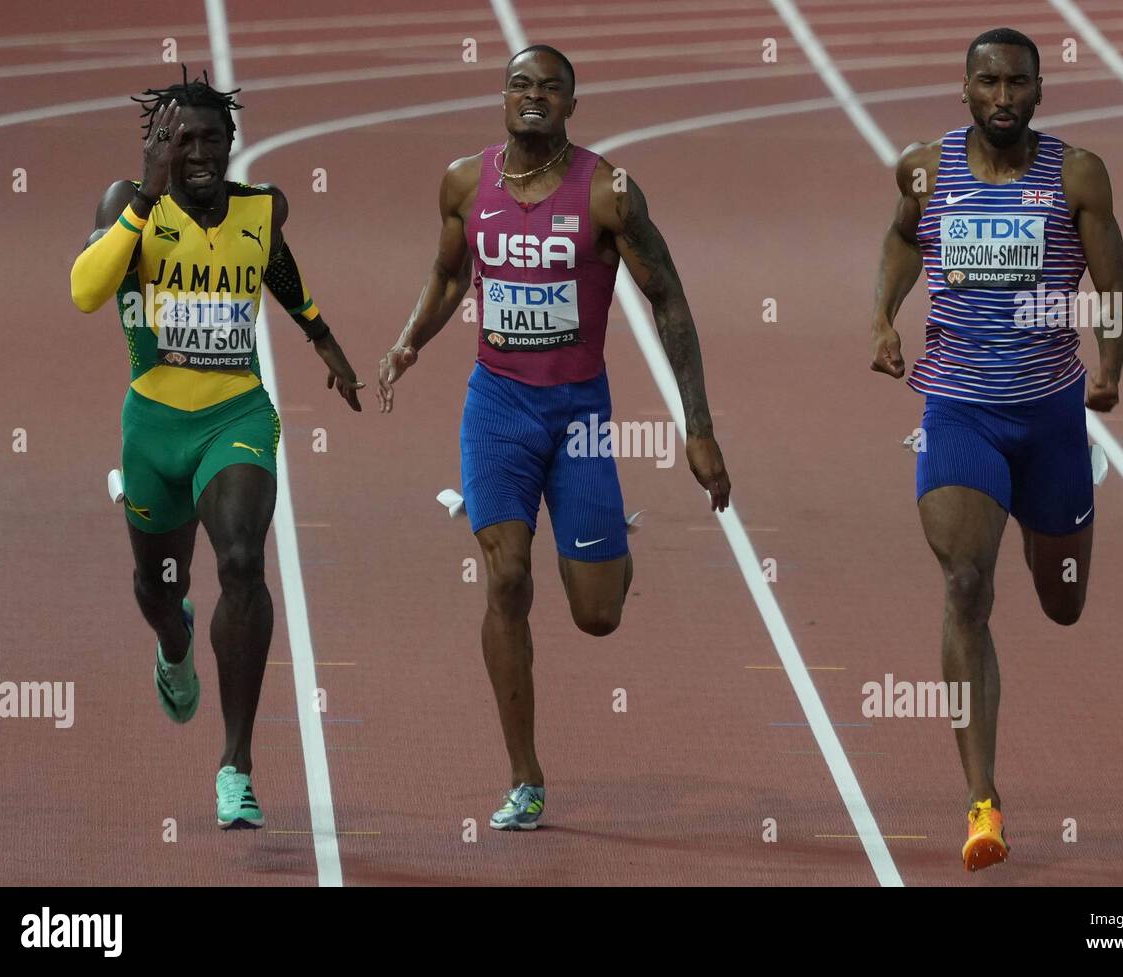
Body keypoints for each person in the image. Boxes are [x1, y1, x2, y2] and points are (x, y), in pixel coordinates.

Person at [377, 45, 730, 830]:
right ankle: (526, 776)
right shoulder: (465, 184)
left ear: (573, 105)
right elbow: (445, 276)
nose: (533, 98)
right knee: (505, 578)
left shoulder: (609, 194)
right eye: (520, 85)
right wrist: (408, 341)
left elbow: (669, 302)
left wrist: (697, 431)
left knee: (597, 614)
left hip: (578, 415)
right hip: (496, 407)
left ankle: (607, 536)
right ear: (502, 97)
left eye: (550, 89)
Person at [70, 69, 364, 828]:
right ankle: (175, 640)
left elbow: (275, 264)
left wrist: (321, 334)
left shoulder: (261, 209)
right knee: (159, 591)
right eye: (181, 138)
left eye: (211, 138)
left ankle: (236, 762)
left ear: (231, 144)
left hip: (235, 416)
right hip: (152, 431)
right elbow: (85, 291)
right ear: (159, 144)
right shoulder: (127, 206)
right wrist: (143, 192)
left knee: (240, 558)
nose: (197, 151)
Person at [868, 29, 1123, 870]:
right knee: (965, 583)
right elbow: (905, 236)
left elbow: (1113, 285)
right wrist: (883, 316)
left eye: (1019, 82)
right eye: (989, 82)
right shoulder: (923, 167)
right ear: (966, 91)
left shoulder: (1077, 175)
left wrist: (1111, 368)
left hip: (1051, 413)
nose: (1004, 96)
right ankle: (982, 800)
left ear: (1041, 92)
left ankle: (1067, 492)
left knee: (1063, 604)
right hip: (958, 412)